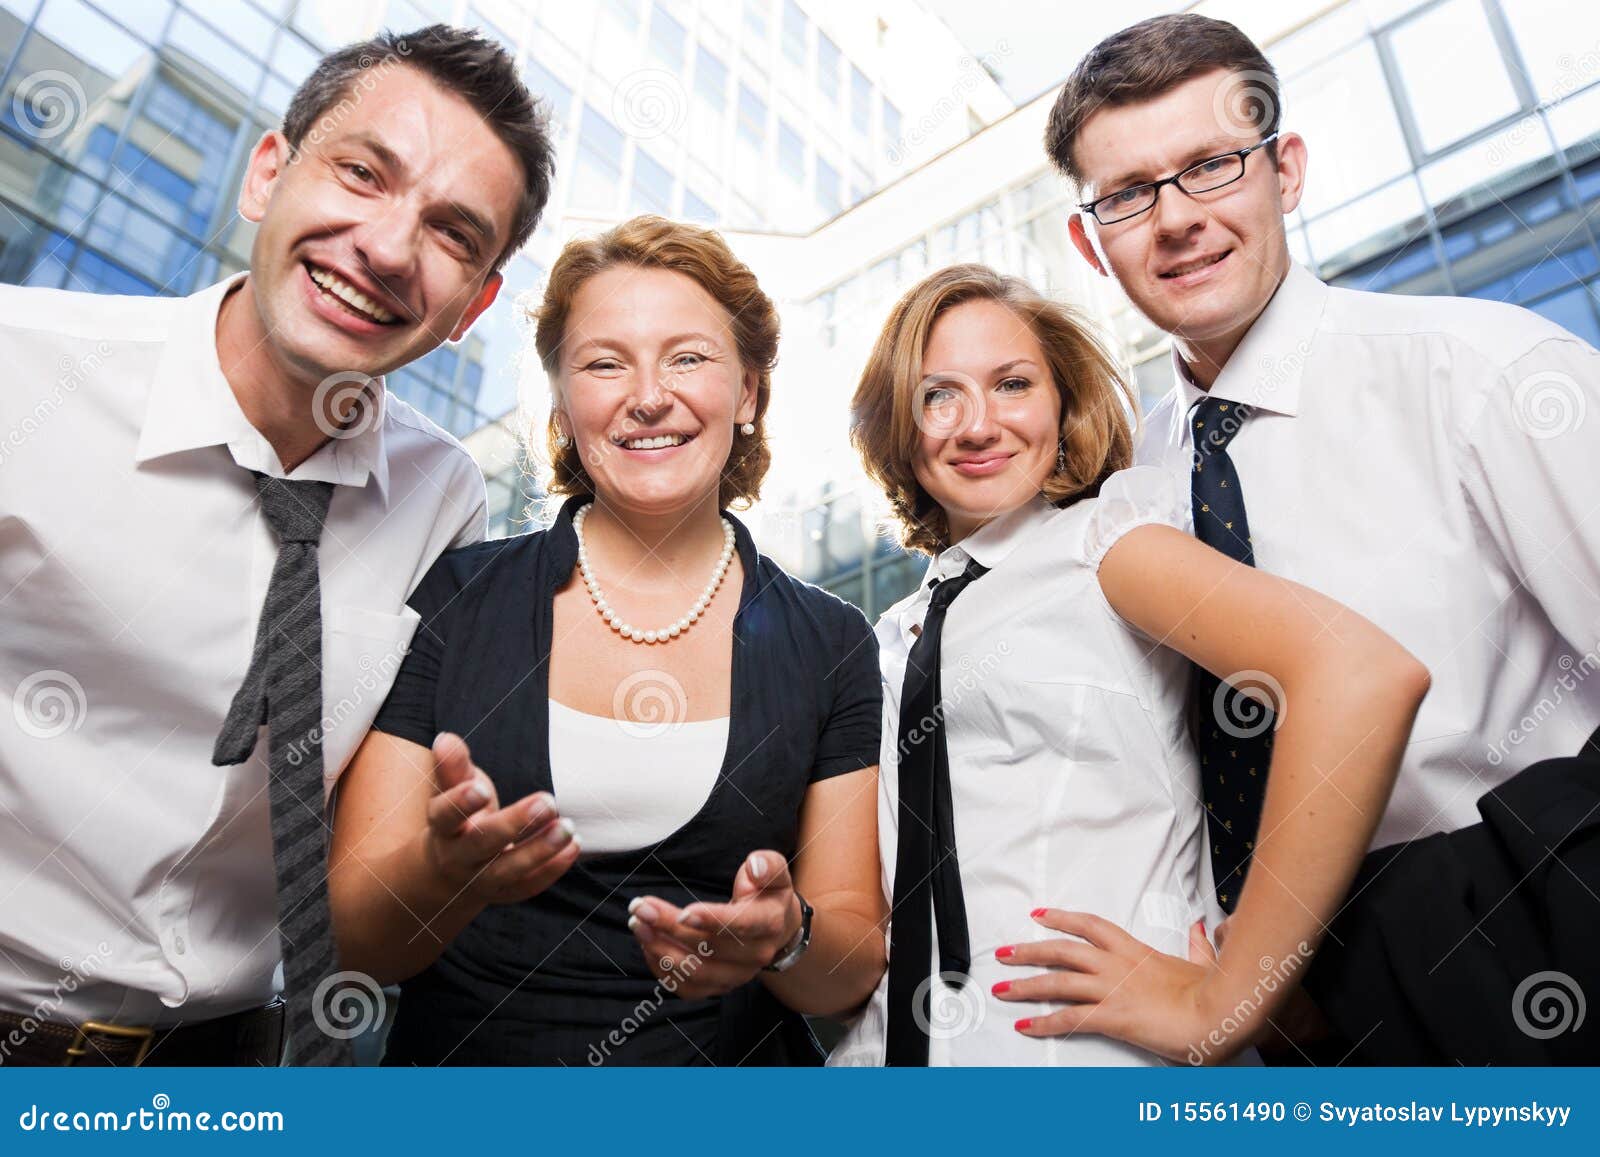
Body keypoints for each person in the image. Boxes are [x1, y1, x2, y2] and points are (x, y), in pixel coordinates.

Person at [1047, 13, 1600, 1062]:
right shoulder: (1125, 490)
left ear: (1283, 170)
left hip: (1534, 928)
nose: (1175, 220)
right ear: (1090, 240)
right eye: (1126, 194)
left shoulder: (1484, 373)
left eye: (1211, 165)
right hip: (1306, 1012)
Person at [0, 24, 554, 1066]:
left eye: (450, 233)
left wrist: (441, 863)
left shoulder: (442, 498)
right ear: (267, 173)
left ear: (473, 305)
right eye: (362, 172)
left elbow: (372, 856)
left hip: (228, 1062)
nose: (388, 249)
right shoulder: (21, 374)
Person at [826, 263, 1430, 1066]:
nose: (977, 425)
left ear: (1062, 403)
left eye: (1012, 384)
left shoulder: (1108, 544)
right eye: (938, 394)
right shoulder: (885, 637)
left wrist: (1234, 995)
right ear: (899, 425)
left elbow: (1360, 675)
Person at [329, 216, 887, 1066]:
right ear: (561, 404)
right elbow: (357, 939)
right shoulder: (454, 596)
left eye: (689, 358)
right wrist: (442, 871)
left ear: (748, 394)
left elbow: (847, 970)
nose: (649, 395)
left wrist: (787, 936)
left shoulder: (832, 642)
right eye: (604, 362)